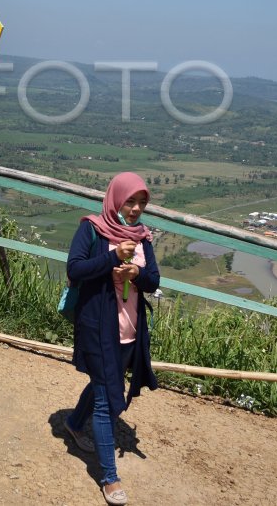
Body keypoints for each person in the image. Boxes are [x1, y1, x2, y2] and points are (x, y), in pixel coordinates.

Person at [64, 172, 160, 505]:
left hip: (130, 329)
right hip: (97, 326)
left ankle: (75, 422)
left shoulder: (142, 237)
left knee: (104, 381)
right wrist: (112, 258)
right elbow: (75, 270)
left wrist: (136, 273)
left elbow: (154, 280)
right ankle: (109, 478)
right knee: (107, 399)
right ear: (115, 198)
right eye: (130, 201)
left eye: (141, 203)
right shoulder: (91, 228)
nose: (135, 209)